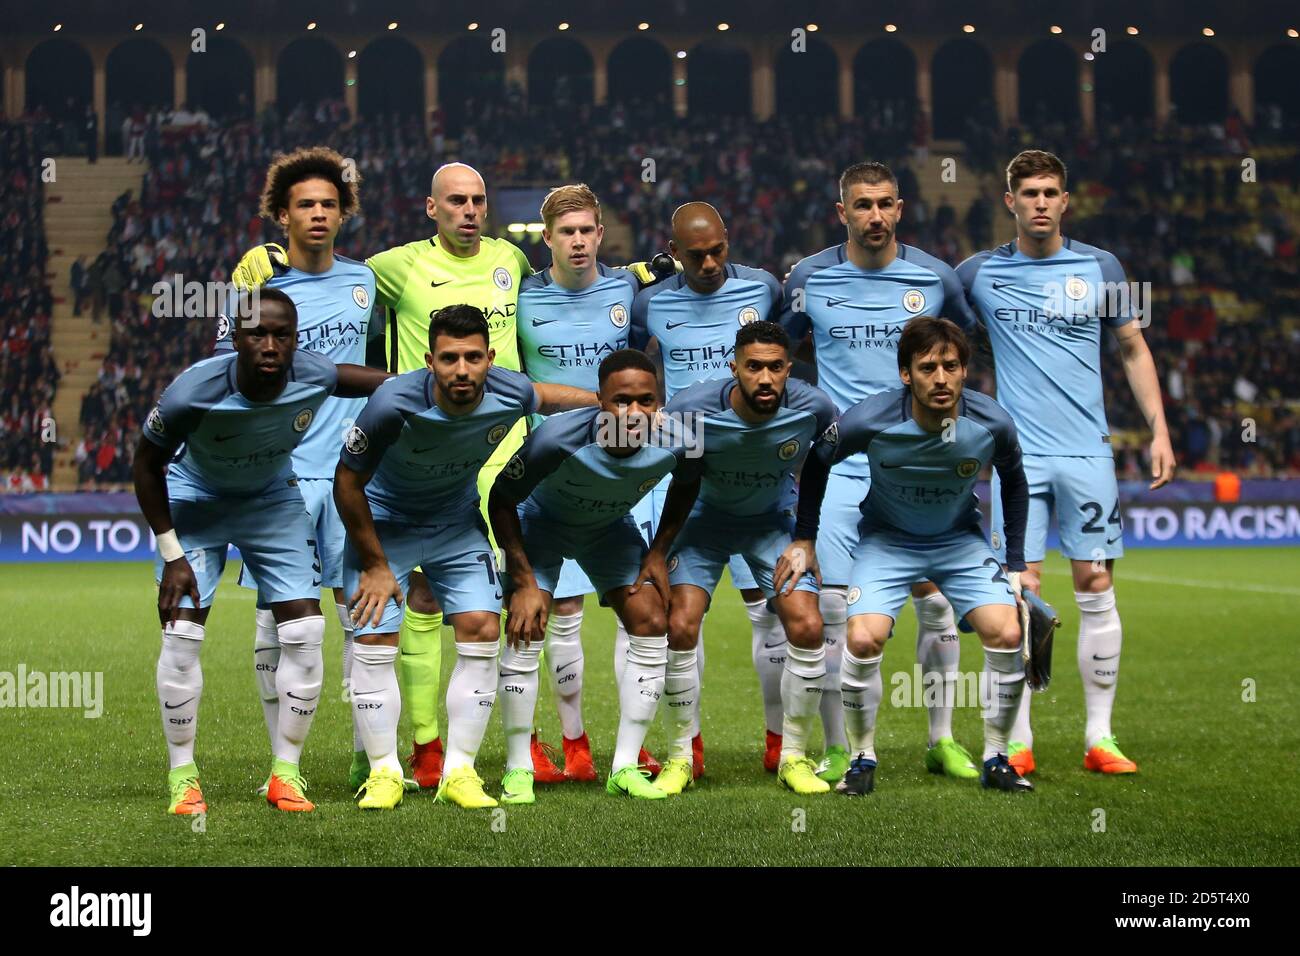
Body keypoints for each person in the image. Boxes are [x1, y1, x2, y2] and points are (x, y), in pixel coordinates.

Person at [957, 149, 1176, 776]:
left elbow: (1134, 348)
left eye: (1051, 192)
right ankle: (1016, 739)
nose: (1041, 203)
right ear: (1010, 202)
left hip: (1088, 454)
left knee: (1097, 585)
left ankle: (1099, 738)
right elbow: (937, 341)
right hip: (1015, 461)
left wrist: (1158, 432)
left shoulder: (1104, 267)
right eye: (1029, 193)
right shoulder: (976, 274)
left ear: (1066, 200)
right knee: (1020, 593)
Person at [133, 289, 390, 816]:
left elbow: (372, 381)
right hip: (196, 500)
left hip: (270, 500)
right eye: (258, 334)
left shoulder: (312, 373)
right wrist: (172, 553)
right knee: (182, 636)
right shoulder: (192, 391)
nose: (270, 345)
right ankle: (183, 775)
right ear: (235, 338)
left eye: (282, 335)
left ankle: (285, 774)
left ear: (296, 340)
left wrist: (428, 386)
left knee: (305, 631)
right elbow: (145, 465)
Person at [334, 305, 595, 810]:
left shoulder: (509, 390)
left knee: (481, 626)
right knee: (374, 634)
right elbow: (348, 481)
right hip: (385, 523)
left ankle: (459, 772)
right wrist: (374, 564)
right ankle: (385, 772)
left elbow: (548, 396)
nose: (461, 370)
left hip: (455, 520)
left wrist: (607, 403)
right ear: (429, 360)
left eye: (473, 358)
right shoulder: (392, 403)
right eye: (449, 358)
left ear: (490, 358)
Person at [781, 161, 982, 785]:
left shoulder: (937, 278)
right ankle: (845, 749)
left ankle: (941, 740)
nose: (876, 215)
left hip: (926, 463)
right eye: (863, 205)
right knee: (841, 612)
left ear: (901, 209)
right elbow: (777, 359)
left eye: (887, 204)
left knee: (939, 605)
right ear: (842, 212)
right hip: (843, 468)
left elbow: (961, 360)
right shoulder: (809, 278)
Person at [793, 316, 1033, 795]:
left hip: (959, 543)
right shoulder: (869, 420)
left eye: (950, 366)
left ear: (966, 371)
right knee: (862, 641)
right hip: (887, 542)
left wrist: (1018, 563)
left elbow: (1015, 478)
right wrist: (805, 538)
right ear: (906, 374)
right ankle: (862, 758)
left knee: (1008, 633)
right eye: (927, 368)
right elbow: (817, 461)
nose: (940, 378)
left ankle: (996, 757)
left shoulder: (992, 423)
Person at [214, 146, 380, 794]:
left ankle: (373, 760)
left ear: (343, 214)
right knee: (277, 617)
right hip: (280, 475)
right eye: (305, 204)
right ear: (281, 214)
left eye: (328, 204)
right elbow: (228, 375)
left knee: (362, 612)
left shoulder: (369, 280)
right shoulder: (258, 289)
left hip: (350, 475)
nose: (317, 214)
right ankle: (283, 767)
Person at [487, 349, 700, 803]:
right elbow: (500, 500)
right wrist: (524, 581)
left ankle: (624, 766)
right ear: (599, 401)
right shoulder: (557, 439)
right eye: (622, 400)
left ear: (659, 402)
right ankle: (518, 769)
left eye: (647, 400)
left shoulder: (682, 440)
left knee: (651, 622)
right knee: (527, 629)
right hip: (541, 523)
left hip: (607, 529)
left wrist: (659, 551)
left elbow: (688, 483)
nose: (635, 412)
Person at [629, 202, 788, 778]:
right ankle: (686, 750)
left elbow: (785, 357)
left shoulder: (765, 289)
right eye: (695, 255)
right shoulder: (651, 301)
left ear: (730, 239)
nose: (711, 262)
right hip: (681, 474)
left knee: (768, 612)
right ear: (673, 254)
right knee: (677, 615)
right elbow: (627, 361)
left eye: (718, 249)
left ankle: (778, 743)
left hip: (754, 471)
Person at [653, 320, 837, 797]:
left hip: (770, 523)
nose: (765, 379)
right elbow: (680, 478)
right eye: (753, 367)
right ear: (734, 367)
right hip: (702, 523)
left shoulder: (813, 407)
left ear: (789, 369)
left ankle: (793, 757)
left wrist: (806, 539)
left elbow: (817, 466)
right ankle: (680, 756)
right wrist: (658, 548)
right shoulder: (692, 409)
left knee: (808, 626)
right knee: (679, 626)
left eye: (775, 368)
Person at [515, 184, 657, 781]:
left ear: (601, 234)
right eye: (565, 232)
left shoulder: (628, 288)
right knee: (562, 612)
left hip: (628, 471)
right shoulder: (521, 298)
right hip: (553, 476)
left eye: (587, 231)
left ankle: (636, 744)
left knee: (639, 607)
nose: (577, 241)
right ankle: (572, 745)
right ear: (546, 238)